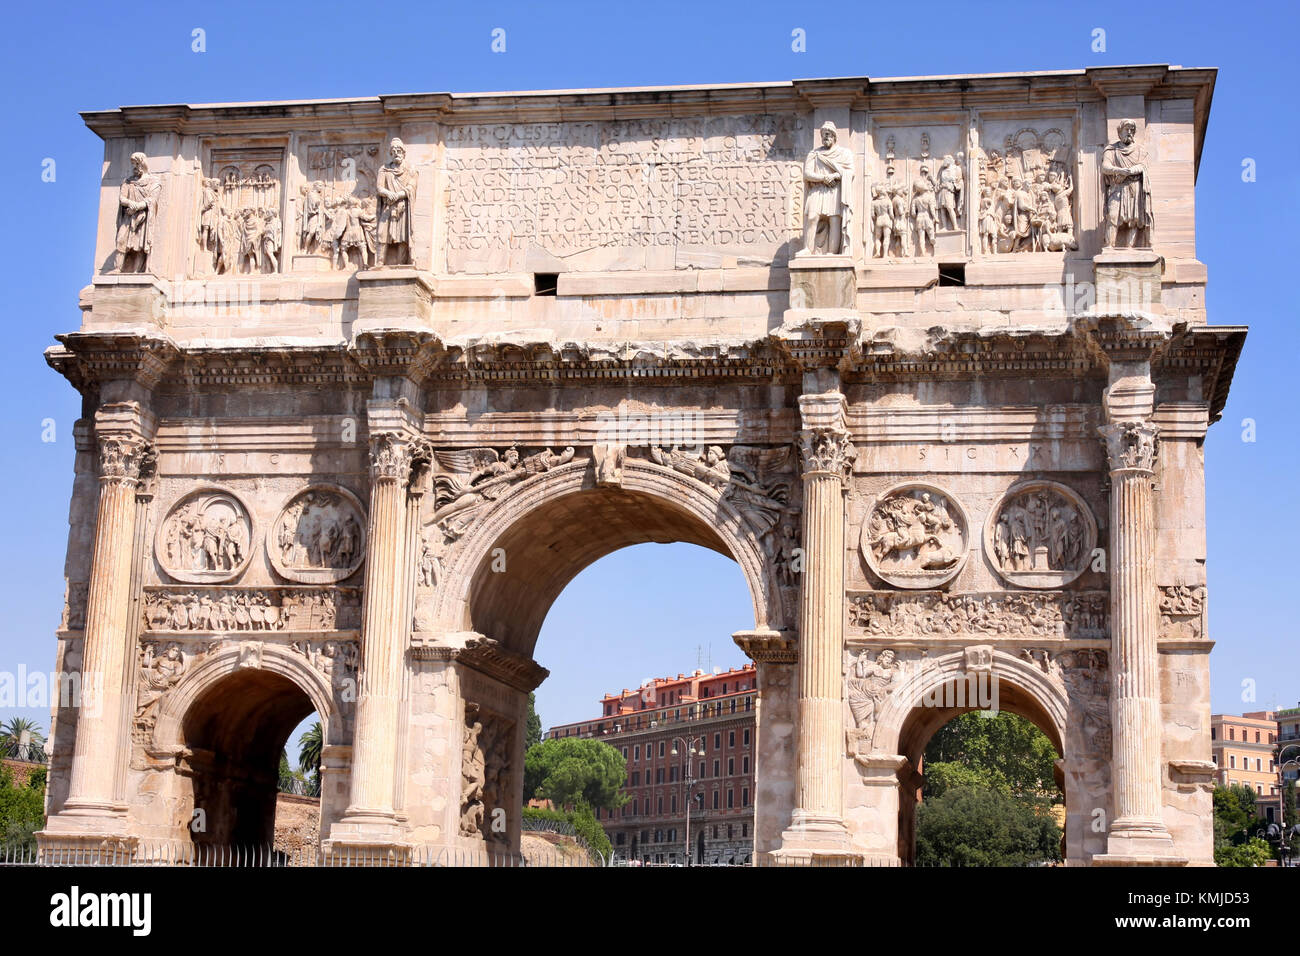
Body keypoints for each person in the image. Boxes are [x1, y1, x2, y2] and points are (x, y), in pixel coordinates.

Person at [800, 122, 854, 255]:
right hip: (818, 189)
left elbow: (850, 171)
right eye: (823, 135)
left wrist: (835, 176)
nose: (825, 137)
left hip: (834, 190)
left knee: (834, 220)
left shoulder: (844, 153)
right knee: (812, 217)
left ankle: (832, 252)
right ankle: (808, 248)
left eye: (828, 134)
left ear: (834, 136)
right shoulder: (815, 154)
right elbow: (807, 174)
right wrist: (824, 178)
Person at [1101, 119, 1154, 247]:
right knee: (1112, 216)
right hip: (1117, 188)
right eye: (1126, 129)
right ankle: (1109, 246)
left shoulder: (1140, 151)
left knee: (1134, 218)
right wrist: (1119, 170)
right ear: (1120, 132)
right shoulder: (1112, 150)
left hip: (1134, 186)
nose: (1129, 132)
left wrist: (1129, 171)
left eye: (1132, 130)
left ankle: (1130, 248)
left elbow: (1143, 166)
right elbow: (1105, 166)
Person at [114, 152, 161, 273]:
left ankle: (136, 270)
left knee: (140, 243)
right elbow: (122, 198)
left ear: (142, 164)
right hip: (129, 215)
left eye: (136, 164)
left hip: (142, 215)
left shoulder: (153, 181)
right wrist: (130, 203)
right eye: (133, 164)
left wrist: (139, 206)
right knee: (121, 239)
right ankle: (117, 268)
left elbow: (152, 199)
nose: (134, 167)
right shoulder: (128, 182)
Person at [376, 138, 417, 265]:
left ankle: (401, 263)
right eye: (393, 151)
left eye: (398, 150)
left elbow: (411, 187)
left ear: (403, 153)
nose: (396, 153)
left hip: (402, 205)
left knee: (403, 235)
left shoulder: (411, 170)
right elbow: (379, 187)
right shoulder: (384, 169)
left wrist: (398, 195)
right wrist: (389, 193)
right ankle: (380, 261)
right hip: (388, 205)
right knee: (381, 233)